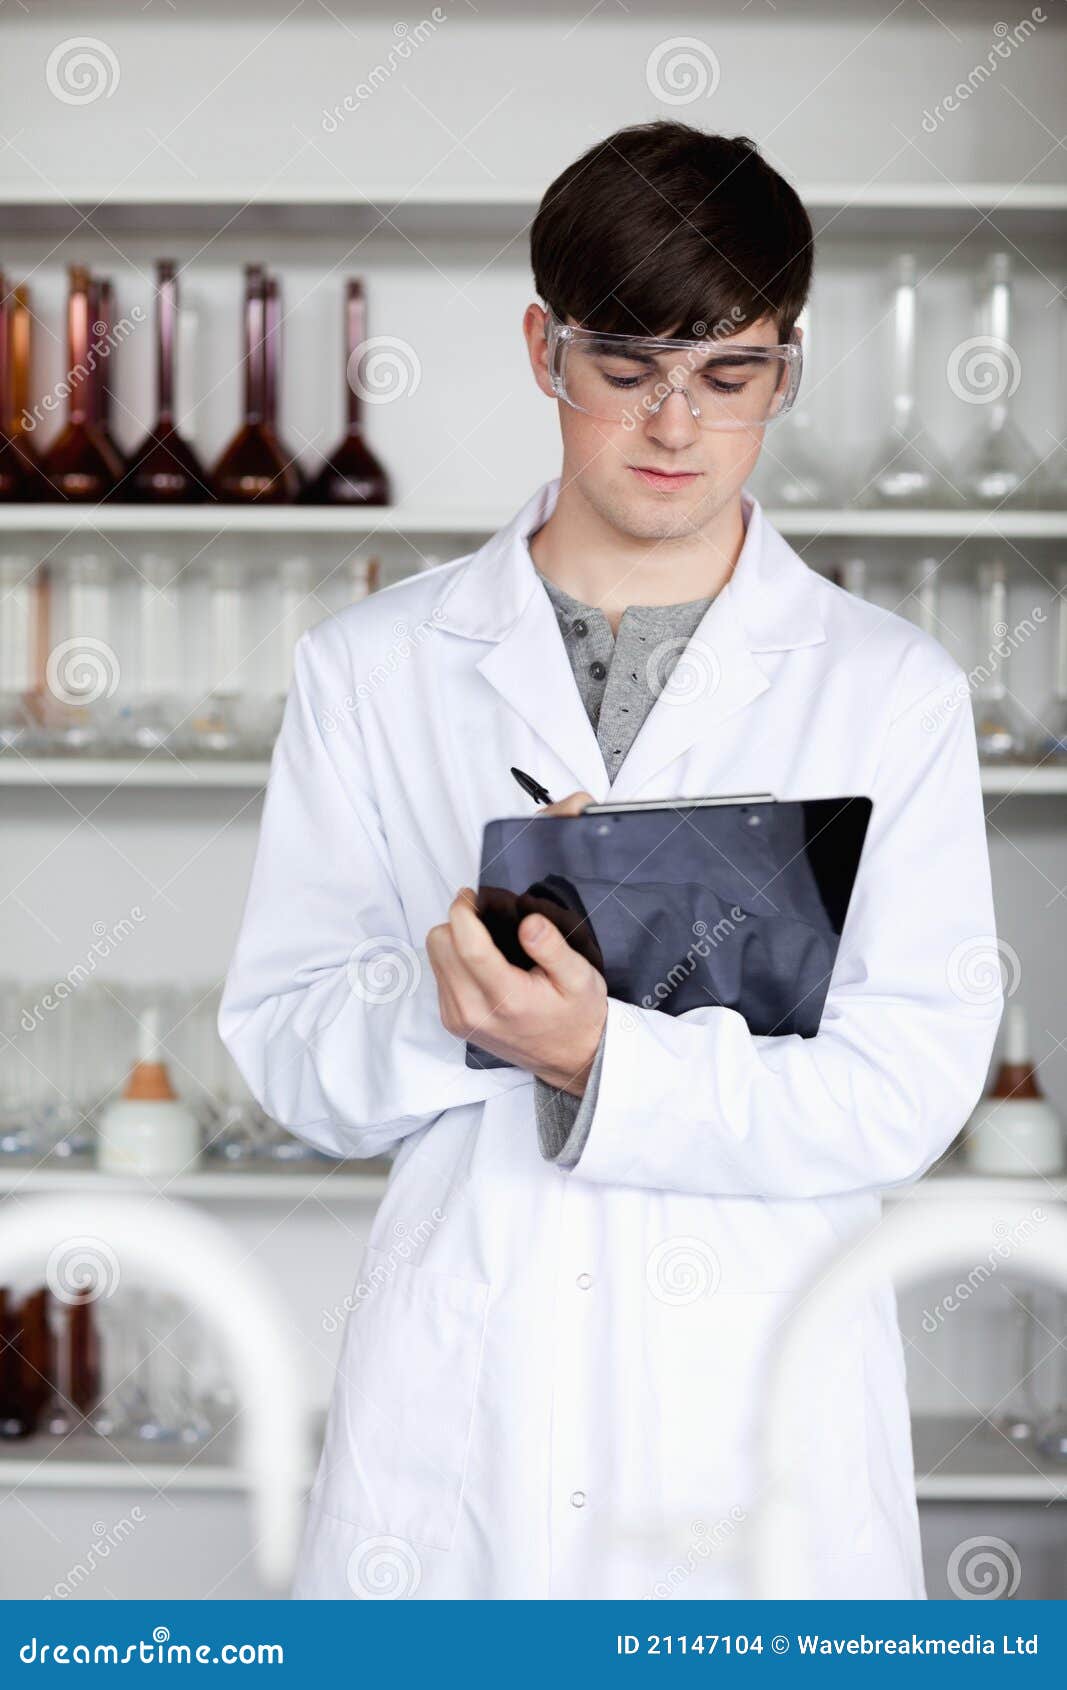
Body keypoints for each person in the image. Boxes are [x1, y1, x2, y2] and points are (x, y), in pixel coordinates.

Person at [219, 121, 1003, 1600]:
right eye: (627, 369)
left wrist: (603, 1055)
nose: (674, 426)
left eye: (730, 377)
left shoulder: (888, 688)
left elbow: (907, 1085)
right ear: (542, 350)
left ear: (788, 369)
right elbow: (283, 1045)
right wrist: (457, 1013)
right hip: (467, 1410)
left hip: (763, 1424)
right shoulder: (375, 669)